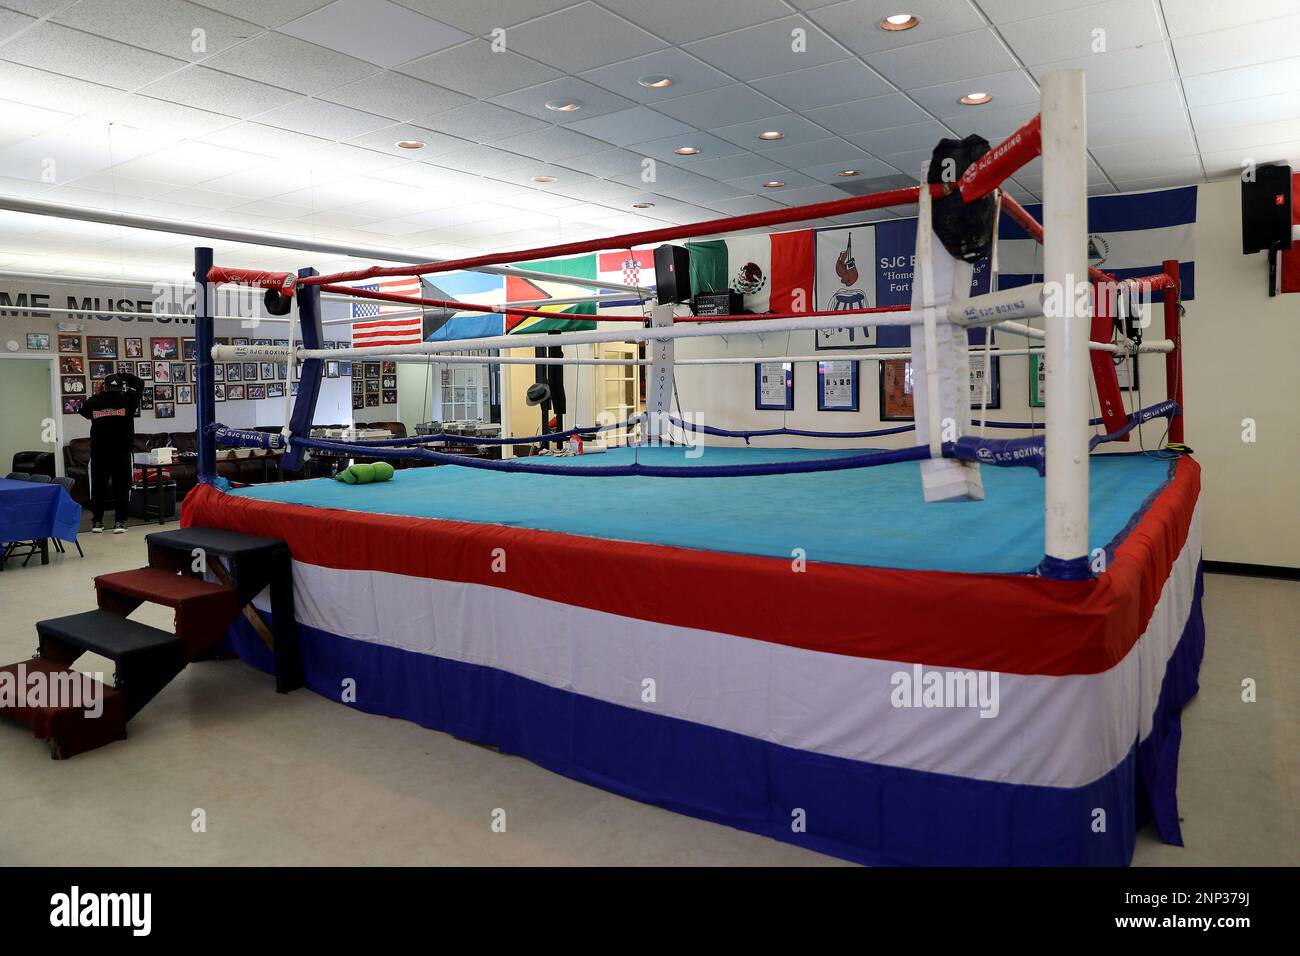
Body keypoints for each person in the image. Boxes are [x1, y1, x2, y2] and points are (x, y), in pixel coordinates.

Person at [78, 371, 145, 533]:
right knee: (122, 487)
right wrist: (121, 374)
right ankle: (120, 522)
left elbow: (83, 411)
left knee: (98, 487)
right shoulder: (128, 399)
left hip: (100, 452)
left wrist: (99, 392)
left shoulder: (95, 401)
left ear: (104, 387)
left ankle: (97, 522)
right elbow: (139, 382)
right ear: (121, 386)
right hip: (121, 452)